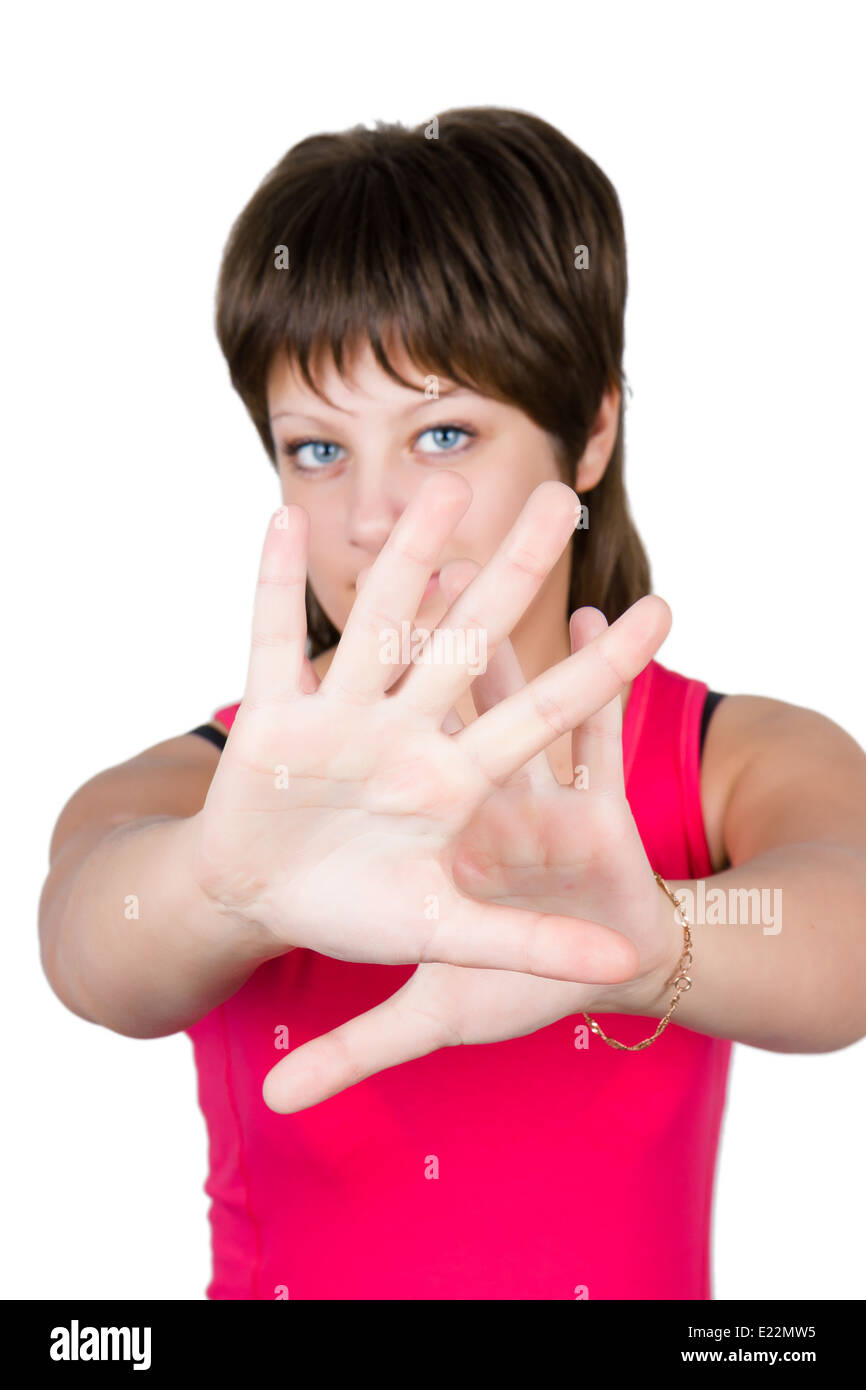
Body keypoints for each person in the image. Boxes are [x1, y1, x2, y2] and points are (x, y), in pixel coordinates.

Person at [39, 107, 866, 1301]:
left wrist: (640, 950)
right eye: (317, 449)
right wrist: (224, 884)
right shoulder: (204, 784)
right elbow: (89, 941)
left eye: (440, 431)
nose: (373, 517)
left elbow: (846, 935)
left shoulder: (730, 757)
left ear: (587, 432)